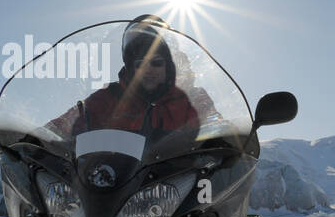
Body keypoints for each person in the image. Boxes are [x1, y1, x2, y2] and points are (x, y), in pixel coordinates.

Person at [49, 17, 214, 140]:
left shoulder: (192, 99)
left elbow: (215, 126)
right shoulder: (106, 98)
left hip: (181, 175)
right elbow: (60, 128)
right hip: (110, 175)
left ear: (168, 66)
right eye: (140, 64)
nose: (149, 70)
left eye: (156, 62)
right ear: (130, 68)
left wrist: (223, 139)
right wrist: (39, 140)